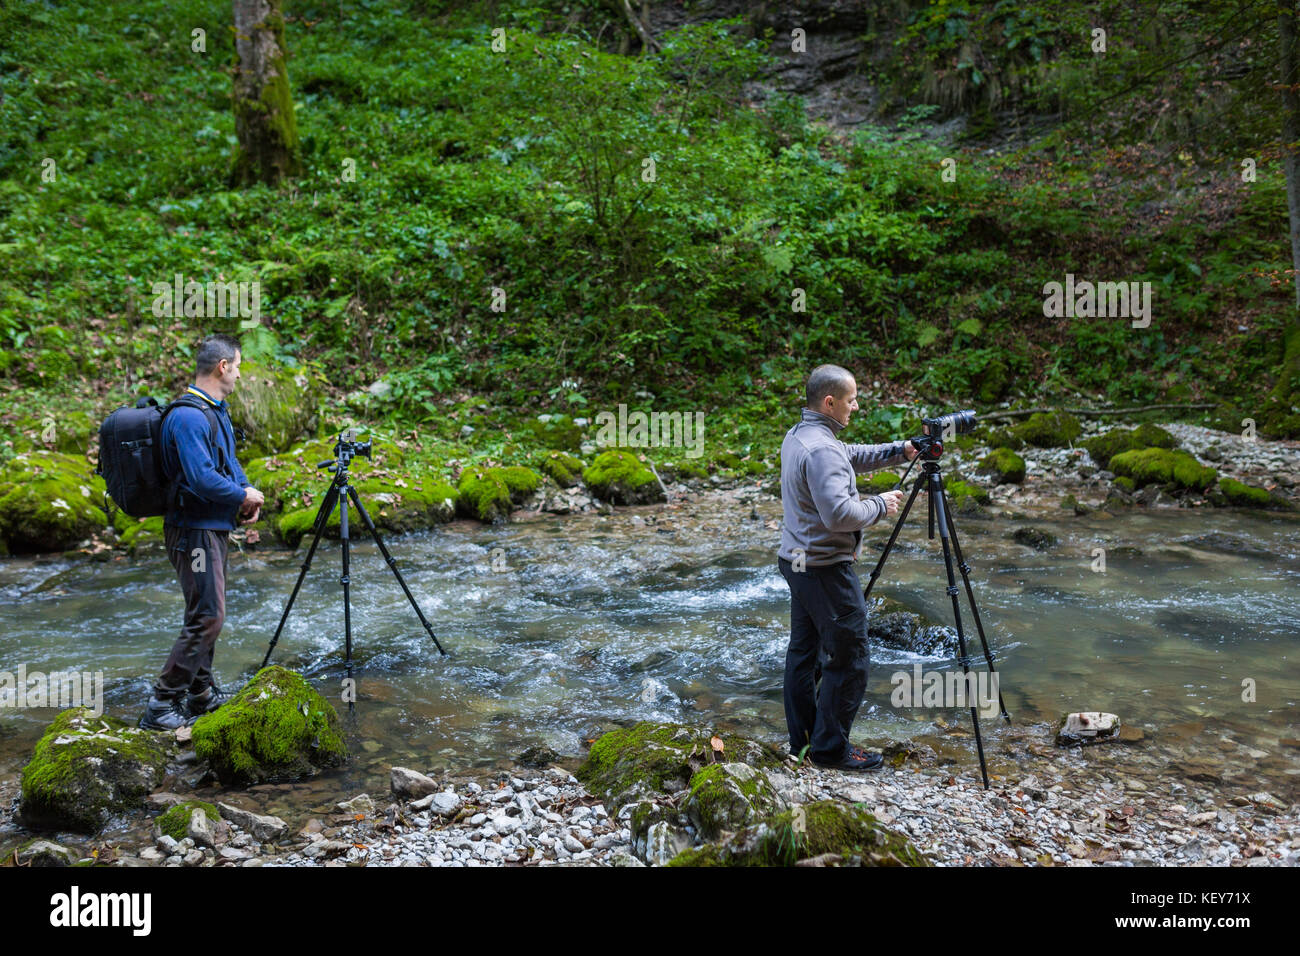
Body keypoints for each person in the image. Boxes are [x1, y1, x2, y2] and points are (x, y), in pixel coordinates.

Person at [777, 364, 918, 770]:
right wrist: (880, 505)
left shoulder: (801, 435)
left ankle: (803, 742)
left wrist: (902, 449)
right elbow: (839, 515)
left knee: (803, 654)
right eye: (852, 400)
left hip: (797, 560)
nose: (856, 406)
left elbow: (849, 456)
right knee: (849, 657)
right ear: (829, 402)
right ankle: (831, 750)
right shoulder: (821, 449)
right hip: (824, 568)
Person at [138, 334, 265, 731]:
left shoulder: (215, 410)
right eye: (238, 366)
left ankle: (201, 695)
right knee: (208, 615)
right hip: (192, 531)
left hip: (210, 526)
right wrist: (240, 494)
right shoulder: (189, 416)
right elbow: (202, 478)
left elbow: (228, 464)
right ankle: (162, 702)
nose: (241, 374)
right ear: (222, 367)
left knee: (204, 611)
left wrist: (246, 497)